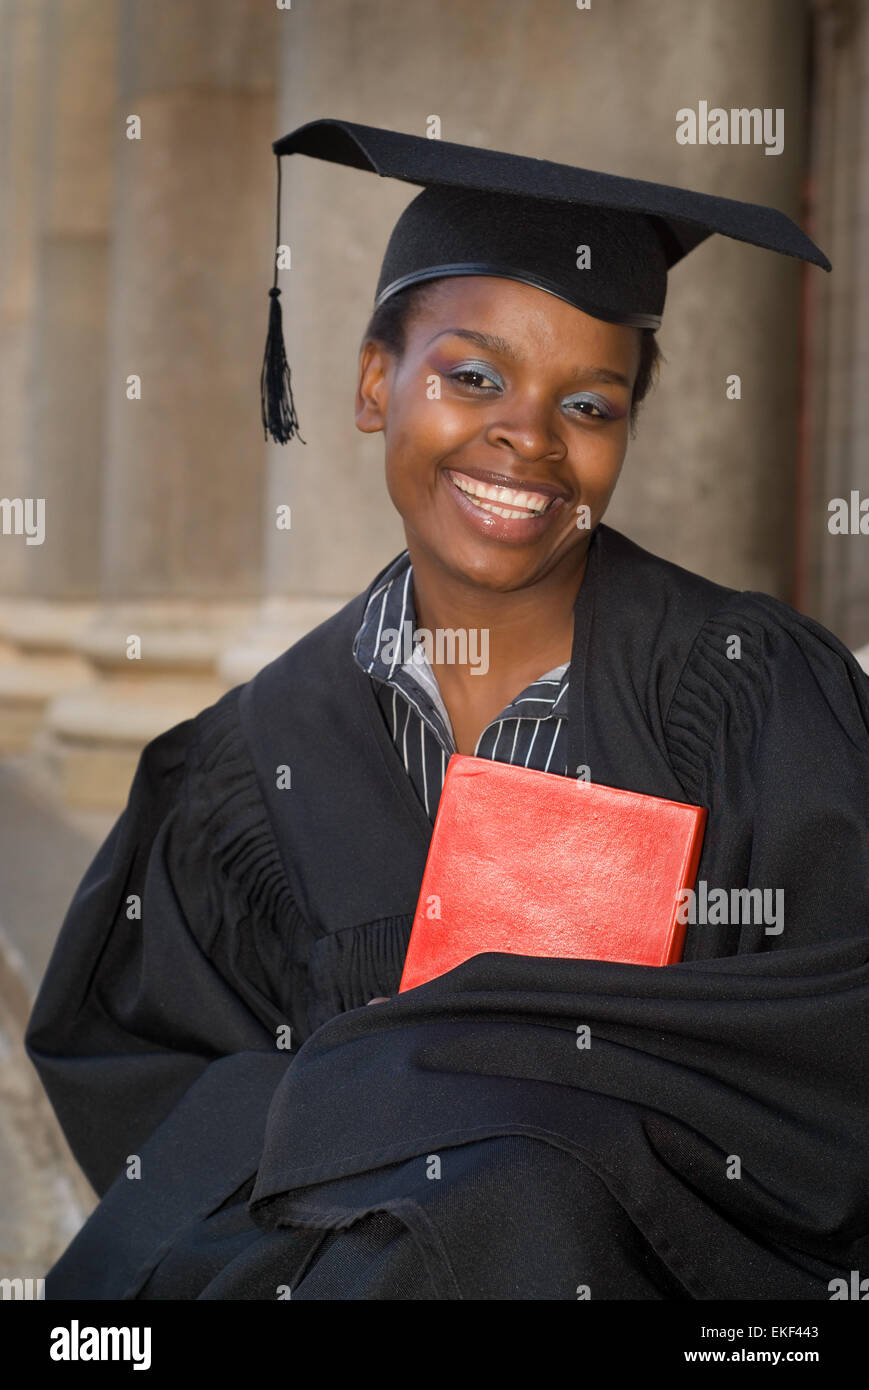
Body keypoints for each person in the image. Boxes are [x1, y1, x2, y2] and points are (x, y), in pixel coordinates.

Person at [26, 121, 869, 1300]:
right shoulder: (246, 766)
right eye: (470, 375)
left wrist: (486, 1117)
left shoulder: (748, 694)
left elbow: (833, 1054)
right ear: (376, 384)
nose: (526, 437)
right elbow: (147, 1095)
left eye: (590, 403)